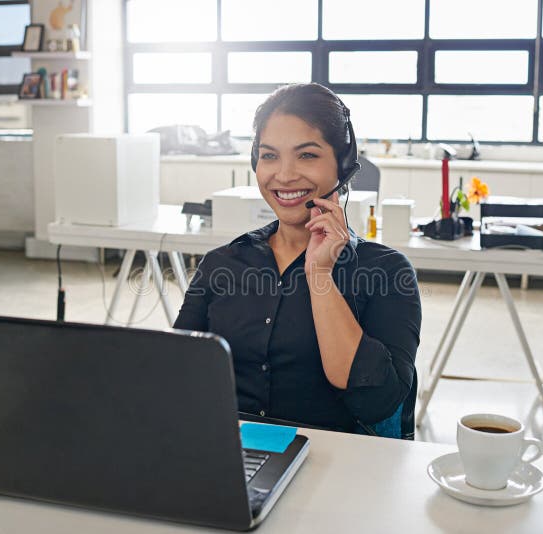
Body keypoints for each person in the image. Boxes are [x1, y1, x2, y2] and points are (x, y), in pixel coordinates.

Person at [174, 83, 422, 439]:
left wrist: (319, 274)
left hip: (339, 461)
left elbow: (377, 403)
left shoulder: (386, 272)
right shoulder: (221, 265)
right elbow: (178, 374)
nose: (285, 174)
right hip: (232, 455)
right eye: (269, 156)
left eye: (306, 155)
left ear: (343, 165)